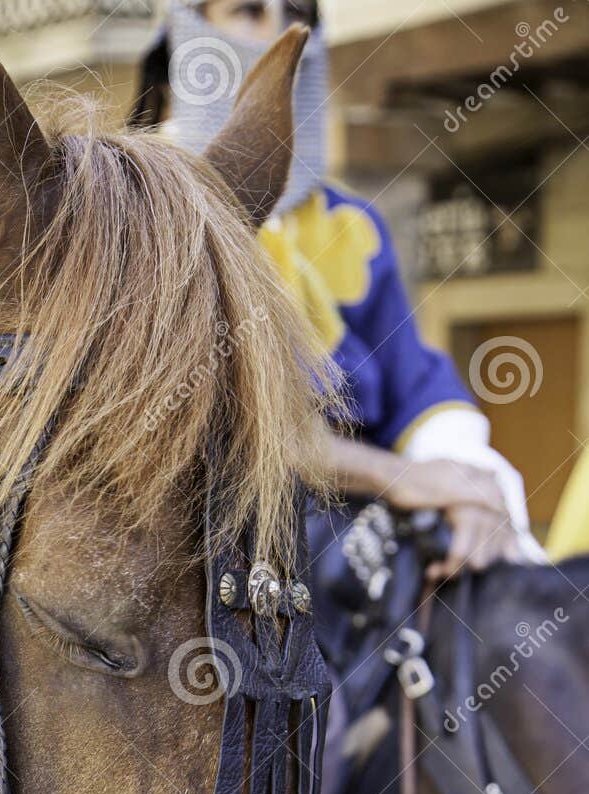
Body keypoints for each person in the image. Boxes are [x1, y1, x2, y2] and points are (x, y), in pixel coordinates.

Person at [132, 0, 544, 577]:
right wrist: (393, 477)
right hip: (215, 536)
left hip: (374, 517)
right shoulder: (129, 217)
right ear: (186, 32)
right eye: (249, 10)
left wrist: (467, 485)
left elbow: (413, 383)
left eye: (296, 12)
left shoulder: (352, 224)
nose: (279, 30)